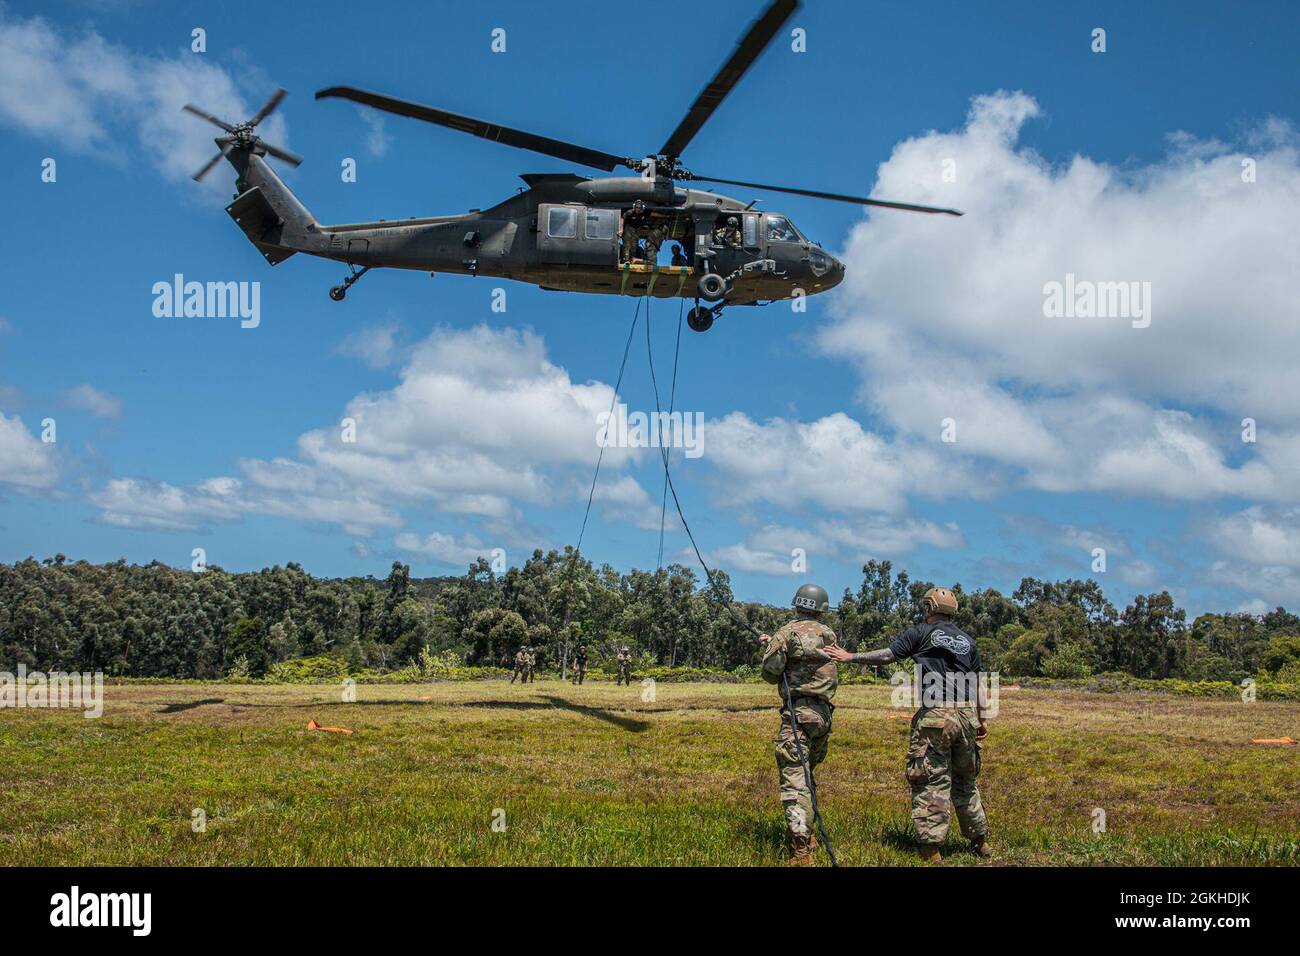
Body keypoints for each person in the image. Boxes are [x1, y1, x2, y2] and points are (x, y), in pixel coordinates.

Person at [826, 587, 991, 862]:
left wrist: (851, 657)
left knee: (930, 780)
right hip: (966, 716)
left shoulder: (919, 633)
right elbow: (979, 684)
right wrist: (981, 719)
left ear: (928, 608)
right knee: (966, 782)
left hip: (936, 716)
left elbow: (888, 656)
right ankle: (980, 841)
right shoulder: (968, 641)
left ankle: (932, 848)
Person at [759, 583, 839, 866]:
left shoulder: (787, 632)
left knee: (794, 783)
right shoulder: (828, 634)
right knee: (806, 776)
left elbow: (771, 673)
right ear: (821, 608)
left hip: (798, 715)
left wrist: (771, 647)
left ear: (797, 604)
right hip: (824, 717)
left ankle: (800, 852)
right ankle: (809, 834)